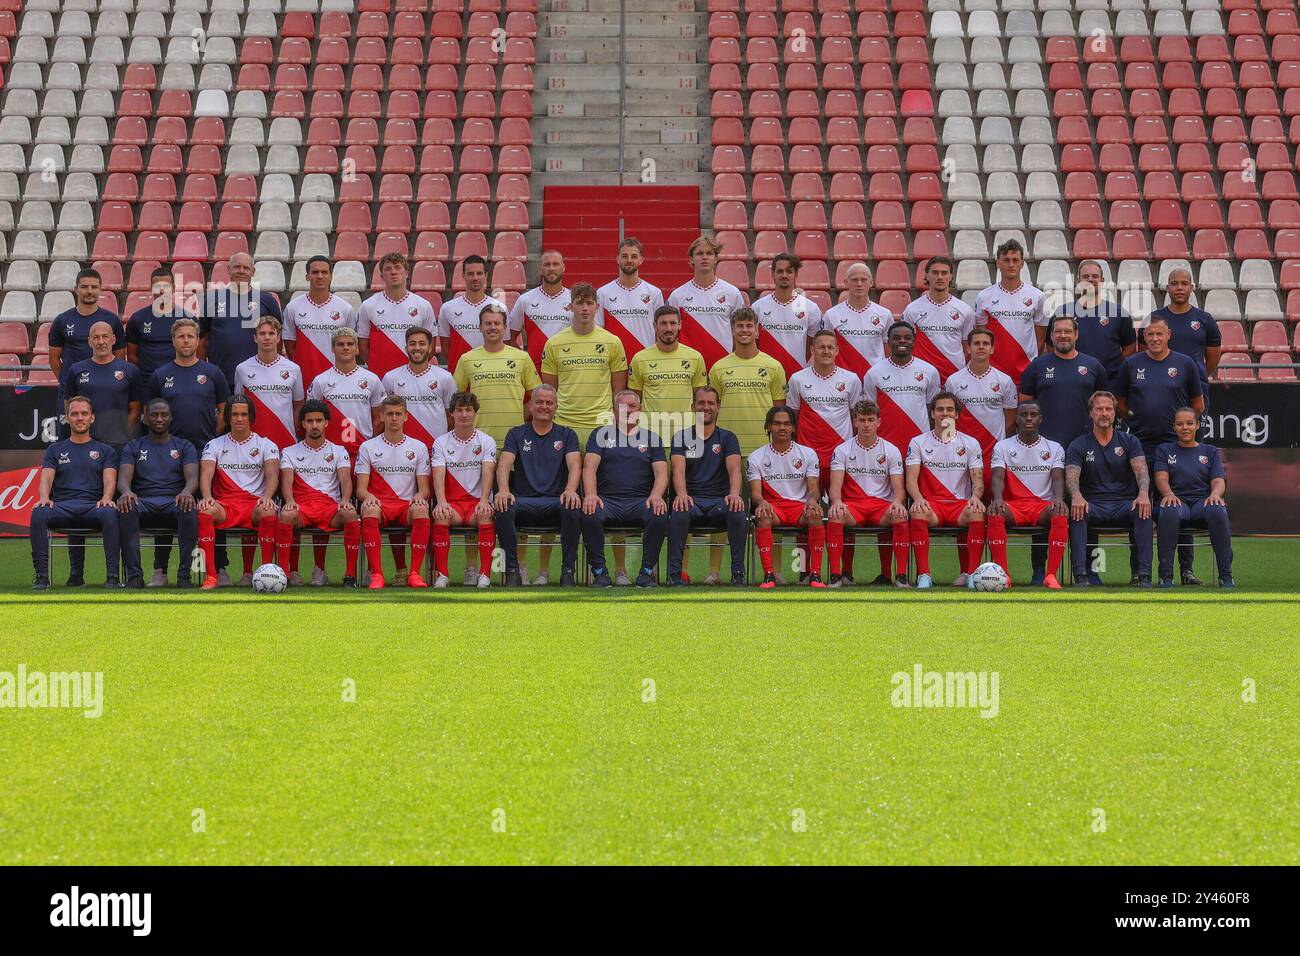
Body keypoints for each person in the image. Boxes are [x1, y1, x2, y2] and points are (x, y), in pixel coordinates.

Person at [146, 317, 230, 585]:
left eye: (190, 336)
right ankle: (161, 570)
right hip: (170, 455)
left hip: (207, 453)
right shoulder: (160, 375)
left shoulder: (213, 373)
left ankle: (220, 567)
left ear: (198, 340)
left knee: (212, 507)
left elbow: (223, 412)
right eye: (180, 336)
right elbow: (152, 415)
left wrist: (210, 439)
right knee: (168, 507)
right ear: (173, 341)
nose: (185, 341)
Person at [494, 384, 582, 587]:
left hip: (555, 500)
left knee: (572, 505)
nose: (544, 406)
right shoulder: (516, 434)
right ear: (531, 407)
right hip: (524, 500)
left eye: (549, 403)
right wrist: (504, 490)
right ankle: (513, 572)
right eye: (539, 402)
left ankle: (567, 571)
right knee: (503, 506)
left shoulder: (567, 435)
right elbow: (505, 463)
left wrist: (570, 490)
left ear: (556, 407)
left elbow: (575, 465)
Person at [580, 390, 670, 588]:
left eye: (632, 406)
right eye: (622, 406)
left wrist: (656, 495)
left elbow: (662, 472)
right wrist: (591, 495)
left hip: (640, 502)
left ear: (640, 410)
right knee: (589, 512)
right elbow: (589, 467)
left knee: (659, 513)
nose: (627, 410)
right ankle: (600, 573)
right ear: (614, 410)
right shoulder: (600, 434)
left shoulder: (652, 437)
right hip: (607, 502)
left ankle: (646, 573)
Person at [29, 396, 121, 590]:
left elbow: (110, 479)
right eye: (75, 414)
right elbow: (46, 478)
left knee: (110, 512)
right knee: (38, 512)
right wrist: (44, 498)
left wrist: (106, 498)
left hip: (93, 507)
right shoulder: (55, 449)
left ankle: (112, 577)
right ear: (67, 418)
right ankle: (42, 578)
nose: (80, 418)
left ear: (92, 418)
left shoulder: (105, 451)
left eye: (84, 413)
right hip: (63, 507)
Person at [1064, 391, 1154, 588]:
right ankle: (1081, 575)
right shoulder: (1079, 444)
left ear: (1114, 413)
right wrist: (1077, 495)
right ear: (1091, 413)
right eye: (1099, 409)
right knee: (1078, 511)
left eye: (1108, 409)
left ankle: (1143, 574)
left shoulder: (1130, 442)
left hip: (1123, 504)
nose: (1104, 413)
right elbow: (1071, 475)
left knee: (1143, 509)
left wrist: (1143, 494)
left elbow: (1141, 470)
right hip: (1093, 505)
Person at [196, 395, 281, 589]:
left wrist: (267, 497)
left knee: (268, 511)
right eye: (235, 414)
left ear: (251, 417)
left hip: (254, 504)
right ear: (228, 418)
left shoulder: (266, 445)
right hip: (225, 504)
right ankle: (210, 577)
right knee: (205, 512)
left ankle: (265, 574)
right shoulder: (215, 444)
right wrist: (207, 497)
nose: (239, 418)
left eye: (244, 414)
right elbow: (206, 474)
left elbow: (273, 475)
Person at [667, 386, 747, 586]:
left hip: (719, 501)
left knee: (737, 510)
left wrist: (735, 494)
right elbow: (678, 470)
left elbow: (735, 469)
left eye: (711, 403)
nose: (706, 407)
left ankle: (738, 573)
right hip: (692, 500)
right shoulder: (681, 437)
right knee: (679, 509)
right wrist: (682, 494)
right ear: (693, 407)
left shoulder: (728, 438)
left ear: (718, 407)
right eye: (701, 403)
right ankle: (676, 575)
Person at [905, 392, 986, 589]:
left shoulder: (970, 443)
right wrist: (917, 498)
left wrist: (976, 497)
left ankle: (971, 574)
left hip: (959, 506)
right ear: (932, 413)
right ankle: (924, 574)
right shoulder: (918, 442)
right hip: (931, 506)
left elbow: (978, 479)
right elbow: (911, 479)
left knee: (976, 510)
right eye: (940, 409)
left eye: (950, 409)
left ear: (957, 414)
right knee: (917, 510)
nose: (945, 413)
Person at [116, 399, 199, 589]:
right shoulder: (134, 446)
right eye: (154, 414)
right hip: (144, 502)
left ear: (171, 418)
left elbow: (193, 478)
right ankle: (135, 576)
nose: (159, 418)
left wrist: (187, 492)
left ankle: (184, 576)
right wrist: (127, 492)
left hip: (174, 501)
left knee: (189, 506)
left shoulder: (184, 446)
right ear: (145, 418)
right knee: (126, 506)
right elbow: (123, 479)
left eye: (164, 415)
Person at [826, 400, 910, 588]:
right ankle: (836, 575)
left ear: (879, 422)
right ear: (854, 422)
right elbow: (835, 486)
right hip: (853, 507)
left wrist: (897, 502)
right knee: (835, 514)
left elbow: (899, 489)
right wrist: (837, 502)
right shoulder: (842, 450)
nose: (866, 425)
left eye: (870, 420)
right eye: (862, 420)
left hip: (881, 507)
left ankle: (901, 575)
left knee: (900, 514)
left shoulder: (891, 450)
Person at [277, 400, 361, 588]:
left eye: (318, 420)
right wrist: (289, 500)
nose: (314, 425)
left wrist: (346, 500)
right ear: (303, 424)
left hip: (329, 507)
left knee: (350, 513)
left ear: (326, 423)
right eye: (309, 421)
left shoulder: (339, 451)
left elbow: (346, 480)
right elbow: (287, 480)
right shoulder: (289, 452)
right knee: (286, 514)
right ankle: (284, 574)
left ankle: (350, 576)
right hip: (302, 508)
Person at [987, 401, 1069, 590]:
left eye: (1033, 414)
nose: (1029, 418)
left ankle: (1050, 576)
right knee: (994, 512)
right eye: (1024, 414)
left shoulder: (1054, 447)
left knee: (1060, 512)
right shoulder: (1003, 446)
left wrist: (1058, 499)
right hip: (1013, 506)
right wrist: (998, 498)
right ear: (1017, 419)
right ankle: (1004, 576)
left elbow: (1058, 478)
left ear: (1041, 419)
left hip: (1041, 506)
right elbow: (998, 476)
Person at [355, 395, 432, 590]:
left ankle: (414, 573)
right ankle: (377, 575)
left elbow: (424, 489)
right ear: (381, 416)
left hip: (406, 506)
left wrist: (419, 497)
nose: (394, 418)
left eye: (398, 414)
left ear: (406, 416)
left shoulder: (418, 447)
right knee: (369, 510)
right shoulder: (368, 447)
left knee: (422, 510)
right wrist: (368, 497)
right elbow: (361, 490)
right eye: (389, 414)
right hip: (380, 506)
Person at [1154, 408, 1235, 589]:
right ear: (1174, 427)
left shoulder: (1210, 451)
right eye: (1180, 424)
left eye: (1190, 423)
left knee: (1217, 509)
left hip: (1201, 503)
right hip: (1177, 501)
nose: (1185, 427)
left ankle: (1226, 576)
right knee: (1168, 509)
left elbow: (1218, 480)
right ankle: (1165, 576)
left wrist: (1215, 495)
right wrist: (1168, 494)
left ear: (1197, 425)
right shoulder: (1164, 450)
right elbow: (1161, 478)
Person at [541, 282, 628, 450]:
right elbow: (551, 390)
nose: (585, 308)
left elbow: (618, 390)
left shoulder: (612, 342)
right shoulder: (554, 343)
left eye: (589, 303)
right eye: (580, 303)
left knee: (600, 476)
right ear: (570, 307)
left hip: (601, 424)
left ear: (597, 307)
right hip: (564, 423)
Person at [748, 405, 824, 588]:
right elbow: (756, 494)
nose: (782, 428)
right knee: (763, 515)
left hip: (800, 507)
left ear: (794, 428)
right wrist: (762, 502)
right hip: (774, 508)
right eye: (777, 424)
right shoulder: (756, 457)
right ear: (768, 427)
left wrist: (813, 501)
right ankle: (769, 575)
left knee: (815, 514)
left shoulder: (808, 454)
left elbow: (814, 489)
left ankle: (815, 575)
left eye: (787, 424)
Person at [431, 391, 497, 589]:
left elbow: (488, 472)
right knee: (441, 516)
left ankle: (485, 574)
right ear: (452, 414)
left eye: (468, 410)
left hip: (477, 502)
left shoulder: (486, 441)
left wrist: (485, 500)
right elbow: (438, 473)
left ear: (475, 413)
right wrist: (441, 502)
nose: (464, 414)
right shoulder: (441, 442)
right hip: (454, 505)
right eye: (459, 410)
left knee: (485, 515)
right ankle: (442, 575)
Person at [1114, 316, 1205, 461]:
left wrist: (1181, 426)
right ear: (1144, 335)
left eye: (1159, 334)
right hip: (1141, 441)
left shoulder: (1186, 363)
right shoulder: (1130, 364)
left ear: (1168, 334)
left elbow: (1198, 406)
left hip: (1176, 441)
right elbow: (1120, 403)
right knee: (1144, 482)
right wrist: (1137, 422)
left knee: (1176, 483)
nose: (1155, 339)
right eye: (1150, 334)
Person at [454, 302, 542, 446]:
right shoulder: (466, 359)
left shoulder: (522, 357)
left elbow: (537, 396)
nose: (493, 327)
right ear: (480, 327)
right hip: (478, 441)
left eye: (497, 323)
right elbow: (456, 399)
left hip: (515, 441)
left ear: (505, 327)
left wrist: (521, 415)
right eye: (488, 323)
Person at [1018, 315, 1108, 449]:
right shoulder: (1036, 366)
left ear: (1076, 334)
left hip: (1085, 443)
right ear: (1052, 336)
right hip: (1045, 444)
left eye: (1068, 331)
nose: (1063, 335)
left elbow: (1104, 404)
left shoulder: (1093, 366)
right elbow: (1024, 406)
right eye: (1058, 331)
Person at [708, 307, 788, 456]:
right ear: (732, 330)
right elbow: (711, 411)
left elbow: (779, 412)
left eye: (749, 326)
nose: (744, 330)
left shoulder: (774, 367)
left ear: (757, 331)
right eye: (739, 326)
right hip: (726, 449)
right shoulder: (718, 368)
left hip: (764, 448)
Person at [199, 252, 283, 390]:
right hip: (221, 377)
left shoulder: (267, 300)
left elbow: (278, 339)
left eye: (246, 268)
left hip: (259, 378)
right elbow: (203, 339)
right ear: (228, 269)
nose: (241, 271)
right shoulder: (212, 299)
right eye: (237, 267)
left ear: (253, 271)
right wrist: (202, 371)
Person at [945, 328, 1018, 479]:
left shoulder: (1004, 380)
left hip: (994, 448)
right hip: (962, 449)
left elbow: (1010, 417)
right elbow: (948, 417)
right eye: (976, 343)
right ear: (968, 348)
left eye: (985, 344)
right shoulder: (954, 381)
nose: (981, 346)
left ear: (992, 349)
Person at [306, 327, 386, 462]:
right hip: (330, 452)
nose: (345, 348)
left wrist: (369, 444)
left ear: (356, 348)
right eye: (340, 344)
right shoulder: (321, 381)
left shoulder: (372, 379)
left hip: (363, 450)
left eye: (350, 344)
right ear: (332, 348)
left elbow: (379, 418)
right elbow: (311, 418)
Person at [628, 305, 708, 440]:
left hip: (686, 435)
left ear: (680, 325)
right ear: (655, 326)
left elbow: (699, 398)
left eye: (673, 323)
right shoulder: (639, 359)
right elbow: (636, 400)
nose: (669, 328)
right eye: (663, 324)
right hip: (651, 436)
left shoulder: (695, 357)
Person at [974, 238, 1048, 383]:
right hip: (994, 371)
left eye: (1015, 260)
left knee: (1026, 407)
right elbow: (981, 335)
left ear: (1022, 263)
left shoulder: (1037, 296)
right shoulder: (984, 297)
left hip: (1027, 369)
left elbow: (1040, 340)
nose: (1011, 264)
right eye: (1006, 260)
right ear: (998, 263)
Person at [862, 321, 942, 452]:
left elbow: (931, 409)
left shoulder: (929, 371)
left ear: (914, 341)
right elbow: (870, 411)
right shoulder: (874, 373)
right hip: (885, 444)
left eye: (907, 338)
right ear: (888, 341)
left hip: (920, 442)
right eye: (896, 338)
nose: (902, 341)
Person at [49, 268, 125, 405]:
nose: (89, 291)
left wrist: (108, 379)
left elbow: (120, 356)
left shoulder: (112, 320)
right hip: (72, 392)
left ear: (100, 289)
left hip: (104, 388)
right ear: (76, 289)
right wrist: (67, 381)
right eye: (84, 287)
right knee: (72, 426)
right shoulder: (62, 320)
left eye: (94, 287)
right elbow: (53, 358)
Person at [668, 234, 746, 369]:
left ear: (716, 258)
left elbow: (739, 332)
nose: (704, 257)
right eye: (699, 253)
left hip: (723, 366)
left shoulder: (732, 293)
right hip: (688, 366)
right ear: (692, 259)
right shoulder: (678, 296)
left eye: (709, 253)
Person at [357, 252, 438, 379]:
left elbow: (431, 346)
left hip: (414, 376)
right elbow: (362, 346)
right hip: (380, 376)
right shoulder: (368, 306)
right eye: (388, 269)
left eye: (398, 267)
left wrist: (416, 367)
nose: (393, 272)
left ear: (406, 273)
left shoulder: (423, 305)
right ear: (381, 276)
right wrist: (377, 366)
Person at [65, 320, 143, 450]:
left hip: (119, 444)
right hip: (86, 443)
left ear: (113, 339)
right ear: (90, 341)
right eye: (96, 337)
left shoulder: (130, 370)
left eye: (105, 336)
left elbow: (136, 408)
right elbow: (69, 405)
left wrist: (123, 434)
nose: (101, 342)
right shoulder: (76, 370)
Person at [282, 256, 358, 390]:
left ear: (331, 276)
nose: (320, 276)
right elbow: (290, 346)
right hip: (304, 376)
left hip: (337, 376)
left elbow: (350, 345)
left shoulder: (345, 309)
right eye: (315, 272)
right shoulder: (293, 307)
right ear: (307, 276)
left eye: (324, 272)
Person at [1148, 268, 1221, 401]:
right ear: (1168, 288)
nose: (1179, 288)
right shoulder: (1153, 319)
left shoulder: (1205, 319)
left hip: (1195, 389)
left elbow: (1213, 359)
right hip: (1160, 386)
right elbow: (1144, 353)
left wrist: (1197, 375)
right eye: (1174, 283)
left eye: (1184, 284)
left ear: (1191, 288)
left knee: (1193, 422)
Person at [1057, 259, 1136, 382]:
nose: (1090, 279)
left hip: (1109, 382)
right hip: (1071, 380)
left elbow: (1130, 347)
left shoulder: (1120, 313)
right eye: (1085, 276)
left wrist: (1114, 368)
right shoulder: (1063, 312)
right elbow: (1052, 346)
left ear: (1102, 281)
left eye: (1095, 276)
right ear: (1078, 281)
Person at [233, 316, 304, 451]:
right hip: (252, 443)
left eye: (271, 333)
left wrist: (292, 430)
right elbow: (239, 406)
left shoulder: (293, 369)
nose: (267, 337)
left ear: (278, 338)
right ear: (255, 338)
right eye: (262, 333)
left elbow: (298, 405)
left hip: (286, 440)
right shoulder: (242, 369)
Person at [903, 255, 975, 381]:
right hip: (922, 377)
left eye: (944, 273)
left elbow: (967, 348)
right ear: (926, 276)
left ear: (951, 277)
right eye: (935, 273)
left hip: (954, 375)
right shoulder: (912, 309)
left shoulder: (965, 310)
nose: (940, 277)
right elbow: (909, 346)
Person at [381, 327, 455, 449]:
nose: (417, 348)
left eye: (422, 343)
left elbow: (451, 417)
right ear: (406, 348)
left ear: (430, 348)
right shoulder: (391, 378)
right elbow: (385, 415)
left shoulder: (445, 378)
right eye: (412, 344)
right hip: (401, 448)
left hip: (435, 448)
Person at [752, 253, 821, 378]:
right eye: (780, 271)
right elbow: (755, 344)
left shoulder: (811, 308)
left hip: (798, 375)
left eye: (789, 271)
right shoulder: (758, 307)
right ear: (773, 274)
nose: (784, 275)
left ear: (796, 274)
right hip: (765, 376)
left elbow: (810, 347)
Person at [597, 238, 664, 362]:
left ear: (641, 260)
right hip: (614, 362)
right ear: (618, 259)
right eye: (624, 256)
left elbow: (660, 331)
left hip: (646, 361)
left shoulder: (654, 293)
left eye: (634, 256)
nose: (629, 260)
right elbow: (598, 331)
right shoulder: (603, 293)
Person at [126, 267, 196, 380]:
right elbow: (132, 356)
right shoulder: (137, 319)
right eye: (157, 286)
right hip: (146, 381)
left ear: (173, 288)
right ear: (151, 288)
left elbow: (195, 354)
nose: (162, 291)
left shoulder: (188, 319)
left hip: (180, 379)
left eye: (166, 286)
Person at [824, 262, 893, 378]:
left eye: (864, 279)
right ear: (846, 282)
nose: (859, 284)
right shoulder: (831, 315)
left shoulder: (885, 314)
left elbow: (889, 351)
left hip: (875, 378)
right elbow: (826, 350)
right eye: (854, 280)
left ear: (871, 283)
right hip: (843, 379)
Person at [438, 254, 506, 370]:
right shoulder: (447, 308)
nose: (475, 278)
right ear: (463, 276)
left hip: (490, 373)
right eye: (470, 274)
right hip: (459, 375)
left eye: (479, 273)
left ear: (486, 276)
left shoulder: (499, 307)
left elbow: (505, 343)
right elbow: (445, 347)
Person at [511, 249, 573, 367]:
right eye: (547, 264)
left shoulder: (574, 300)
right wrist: (523, 360)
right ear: (540, 269)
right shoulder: (525, 300)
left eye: (555, 264)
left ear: (563, 267)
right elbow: (509, 337)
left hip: (566, 370)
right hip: (534, 371)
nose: (551, 268)